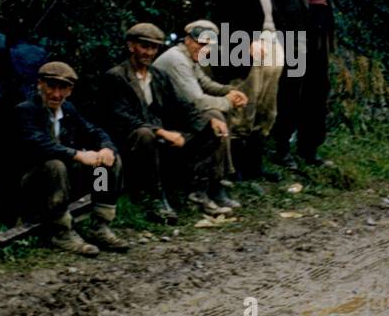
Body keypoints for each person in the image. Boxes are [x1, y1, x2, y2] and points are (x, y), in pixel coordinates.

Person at [99, 22, 228, 221]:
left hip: (160, 136)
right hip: (131, 141)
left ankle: (197, 190)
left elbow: (180, 105)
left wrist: (208, 120)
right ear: (131, 46)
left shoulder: (158, 76)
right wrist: (160, 131)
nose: (149, 52)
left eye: (154, 47)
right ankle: (154, 198)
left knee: (211, 127)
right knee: (144, 134)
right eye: (144, 46)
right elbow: (120, 117)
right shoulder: (116, 77)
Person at [13, 61, 129, 257]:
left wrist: (107, 148)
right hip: (31, 185)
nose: (56, 94)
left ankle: (99, 224)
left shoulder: (68, 109)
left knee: (108, 164)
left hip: (64, 183)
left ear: (70, 90)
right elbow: (39, 144)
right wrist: (78, 155)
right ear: (40, 84)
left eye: (63, 88)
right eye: (51, 86)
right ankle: (61, 231)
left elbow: (93, 130)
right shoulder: (26, 110)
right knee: (54, 165)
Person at [214, 0, 285, 180]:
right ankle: (234, 168)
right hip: (247, 54)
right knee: (245, 108)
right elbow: (223, 25)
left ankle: (256, 166)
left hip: (274, 49)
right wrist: (245, 43)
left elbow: (277, 21)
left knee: (268, 110)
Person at [153, 20, 242, 210]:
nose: (204, 49)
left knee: (219, 116)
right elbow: (196, 101)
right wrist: (228, 102)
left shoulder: (189, 57)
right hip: (163, 117)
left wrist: (229, 91)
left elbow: (205, 82)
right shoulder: (176, 60)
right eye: (200, 43)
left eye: (208, 45)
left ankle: (216, 182)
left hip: (180, 109)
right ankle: (202, 189)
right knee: (216, 116)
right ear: (187, 40)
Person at [270, 0, 336, 168]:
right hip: (295, 34)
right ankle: (282, 149)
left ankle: (310, 148)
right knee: (290, 91)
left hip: (319, 34)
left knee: (317, 91)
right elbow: (274, 0)